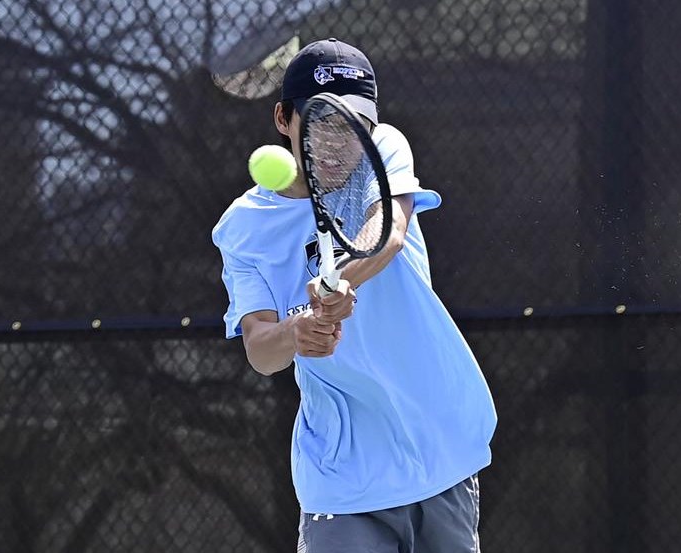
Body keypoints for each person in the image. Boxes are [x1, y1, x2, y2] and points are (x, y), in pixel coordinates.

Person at [212, 38, 497, 553]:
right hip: (341, 477)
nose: (339, 142)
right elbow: (259, 349)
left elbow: (384, 230)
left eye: (354, 124)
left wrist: (341, 281)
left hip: (438, 448)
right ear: (283, 119)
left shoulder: (382, 150)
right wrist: (297, 332)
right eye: (322, 122)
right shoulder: (242, 229)